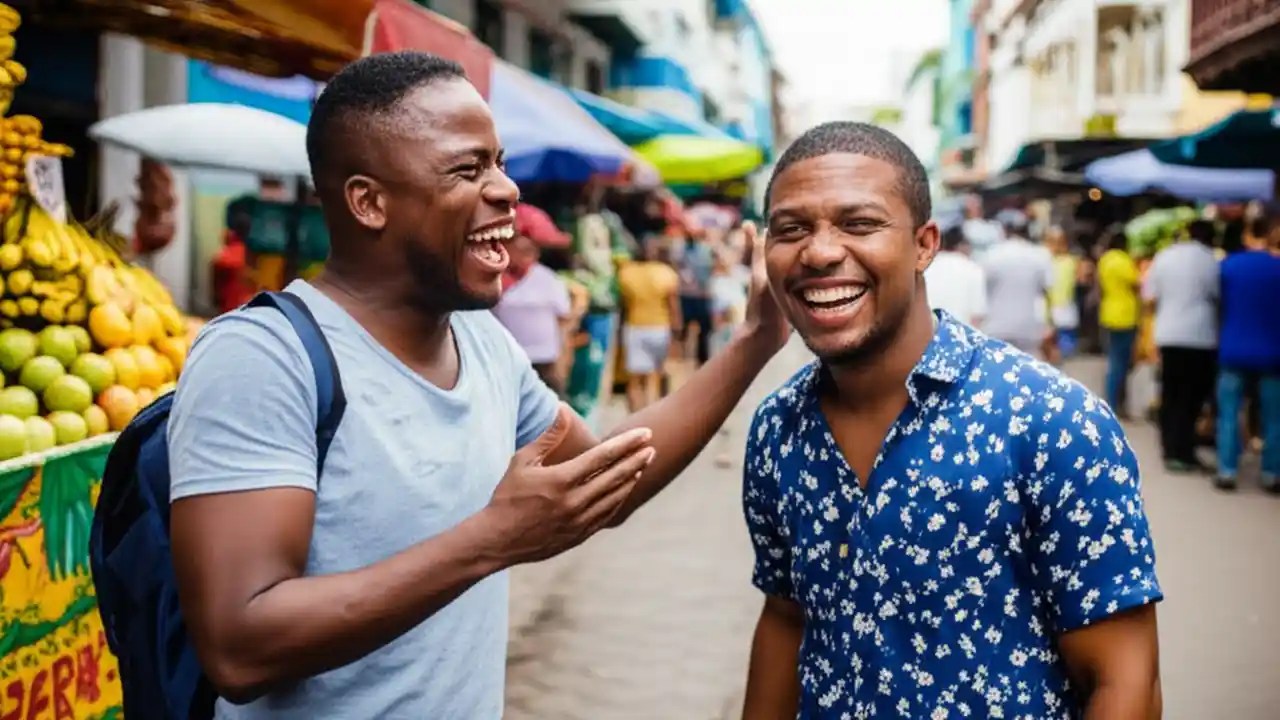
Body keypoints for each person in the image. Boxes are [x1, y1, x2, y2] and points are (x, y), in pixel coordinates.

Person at [166, 52, 789, 719]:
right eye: (468, 169)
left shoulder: (483, 344)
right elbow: (239, 646)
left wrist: (753, 344)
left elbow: (607, 482)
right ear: (368, 201)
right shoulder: (263, 359)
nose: (506, 190)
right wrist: (490, 539)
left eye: (498, 162)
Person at [741, 122, 1161, 719]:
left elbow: (1125, 680)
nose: (820, 251)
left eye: (859, 224)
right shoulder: (778, 428)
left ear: (924, 244)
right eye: (792, 229)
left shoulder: (1051, 423)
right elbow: (785, 619)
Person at [1143, 219, 1219, 473]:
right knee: (1192, 397)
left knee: (1170, 394)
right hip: (1200, 336)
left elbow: (1149, 295)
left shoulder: (1165, 256)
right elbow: (1217, 295)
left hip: (1168, 334)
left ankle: (1169, 449)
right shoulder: (1210, 259)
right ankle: (1185, 451)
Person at [1215, 217, 1280, 491]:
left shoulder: (1228, 266)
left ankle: (1227, 471)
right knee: (1273, 418)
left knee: (1229, 412)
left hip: (1233, 349)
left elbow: (1217, 304)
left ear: (1247, 234)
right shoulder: (1277, 268)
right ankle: (1271, 473)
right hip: (1272, 353)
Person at [491, 210, 574, 394]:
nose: (530, 250)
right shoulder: (490, 281)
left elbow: (564, 324)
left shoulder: (548, 280)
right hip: (504, 365)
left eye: (534, 246)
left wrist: (562, 363)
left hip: (544, 364)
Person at [617, 239, 683, 412]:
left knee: (635, 379)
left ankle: (635, 417)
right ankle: (661, 413)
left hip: (635, 327)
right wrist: (677, 331)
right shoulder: (666, 273)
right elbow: (673, 305)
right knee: (660, 375)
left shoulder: (627, 273)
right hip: (659, 328)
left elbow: (623, 305)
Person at [979, 208, 1055, 357]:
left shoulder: (990, 255)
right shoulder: (1040, 255)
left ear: (1004, 230)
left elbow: (981, 292)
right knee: (1027, 375)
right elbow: (1048, 292)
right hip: (1030, 327)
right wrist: (1051, 324)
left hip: (995, 327)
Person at [1097, 225, 1142, 417]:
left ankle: (1112, 401)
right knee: (1121, 363)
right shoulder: (1125, 261)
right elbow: (1137, 284)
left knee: (1114, 360)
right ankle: (1115, 404)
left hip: (1108, 313)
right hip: (1126, 316)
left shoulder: (1105, 260)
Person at [923, 224, 986, 327]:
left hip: (928, 333)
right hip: (959, 336)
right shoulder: (972, 268)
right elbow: (977, 316)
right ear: (962, 245)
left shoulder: (925, 267)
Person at [1045, 225, 1080, 359]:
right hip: (1049, 308)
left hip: (1065, 306)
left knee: (1066, 343)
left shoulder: (1071, 261)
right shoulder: (1045, 260)